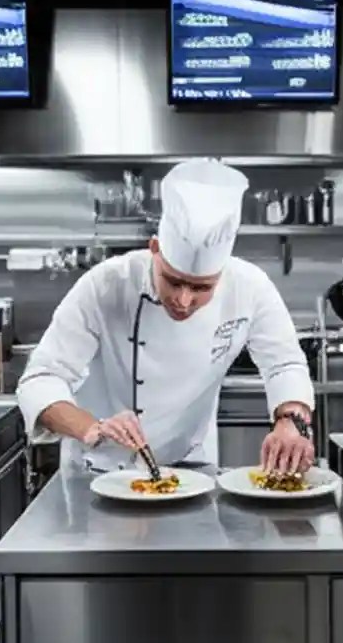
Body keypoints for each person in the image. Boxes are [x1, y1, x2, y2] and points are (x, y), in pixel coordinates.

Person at [17, 158, 315, 476]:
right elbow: (41, 379)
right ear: (155, 248)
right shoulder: (106, 284)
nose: (184, 300)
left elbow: (284, 364)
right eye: (173, 281)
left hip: (190, 469)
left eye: (202, 288)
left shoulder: (250, 287)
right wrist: (92, 428)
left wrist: (290, 422)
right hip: (98, 470)